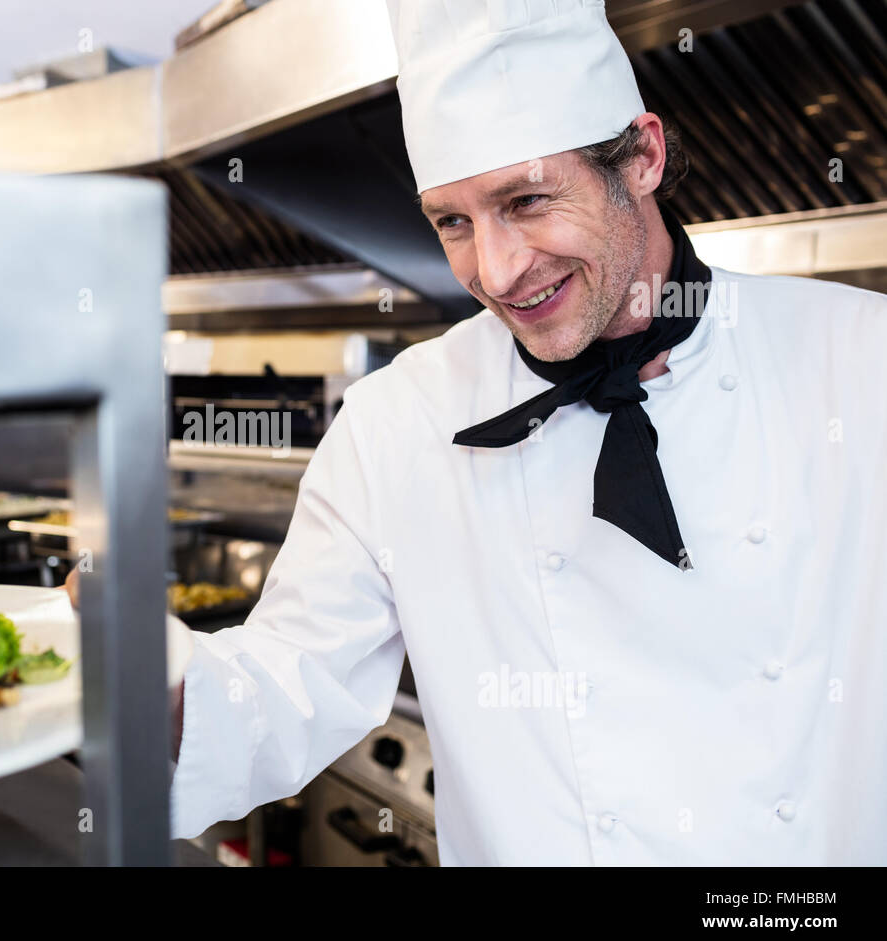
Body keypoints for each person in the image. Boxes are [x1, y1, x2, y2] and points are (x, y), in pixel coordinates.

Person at [73, 0, 887, 865]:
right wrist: (132, 662)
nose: (495, 271)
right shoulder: (400, 421)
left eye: (527, 200)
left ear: (643, 156)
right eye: (452, 223)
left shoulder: (859, 362)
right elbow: (281, 694)